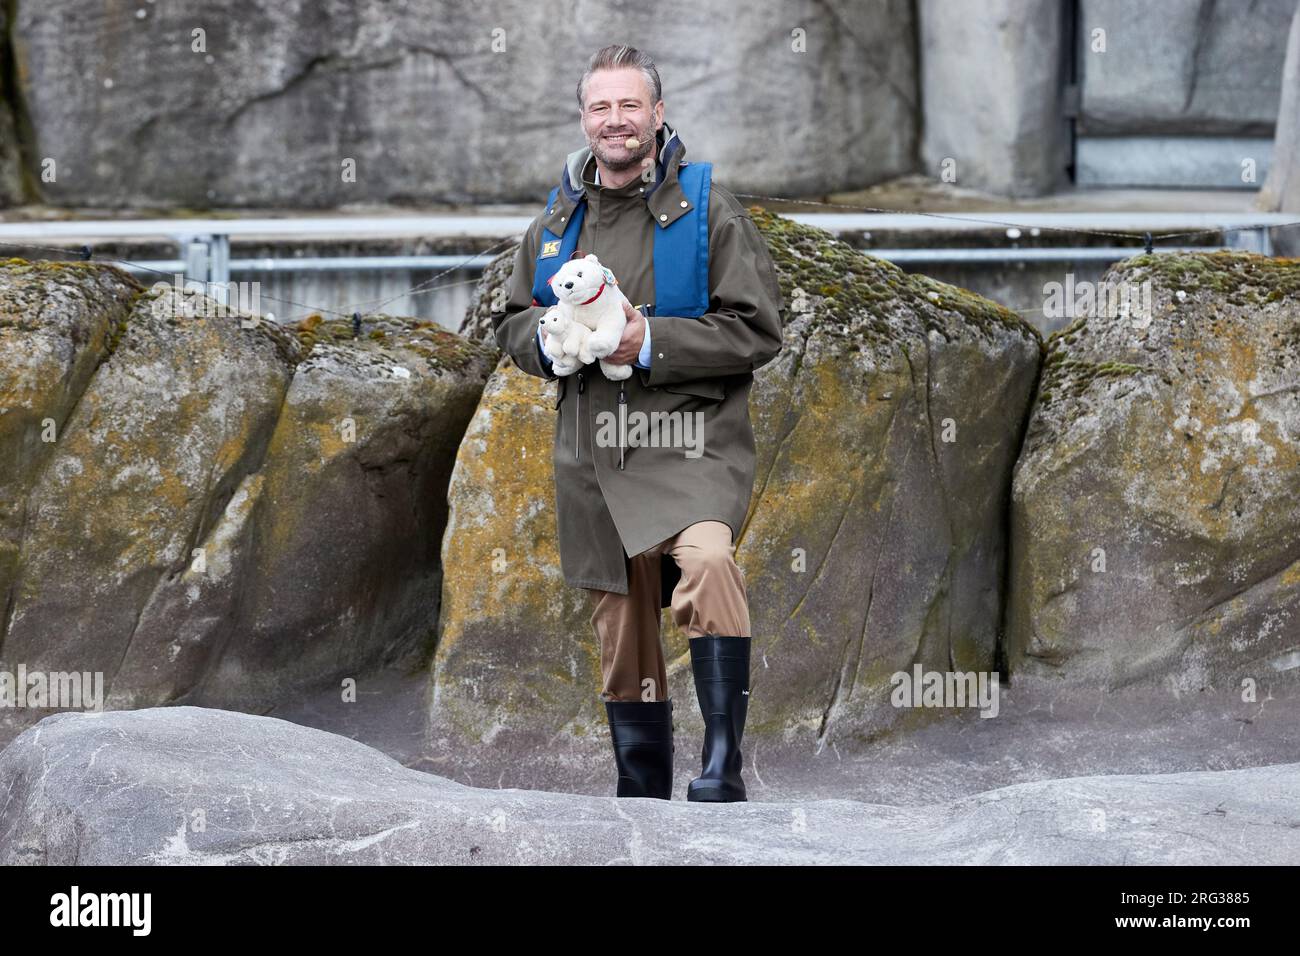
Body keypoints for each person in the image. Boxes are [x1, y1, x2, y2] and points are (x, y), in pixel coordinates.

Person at [490, 44, 785, 802]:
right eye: (600, 107)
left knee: (710, 564)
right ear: (584, 120)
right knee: (622, 631)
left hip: (691, 441)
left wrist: (645, 342)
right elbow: (511, 324)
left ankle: (722, 763)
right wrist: (551, 343)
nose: (614, 121)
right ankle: (642, 786)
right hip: (593, 455)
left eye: (630, 106)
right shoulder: (557, 219)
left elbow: (755, 332)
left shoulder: (707, 209)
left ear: (657, 114)